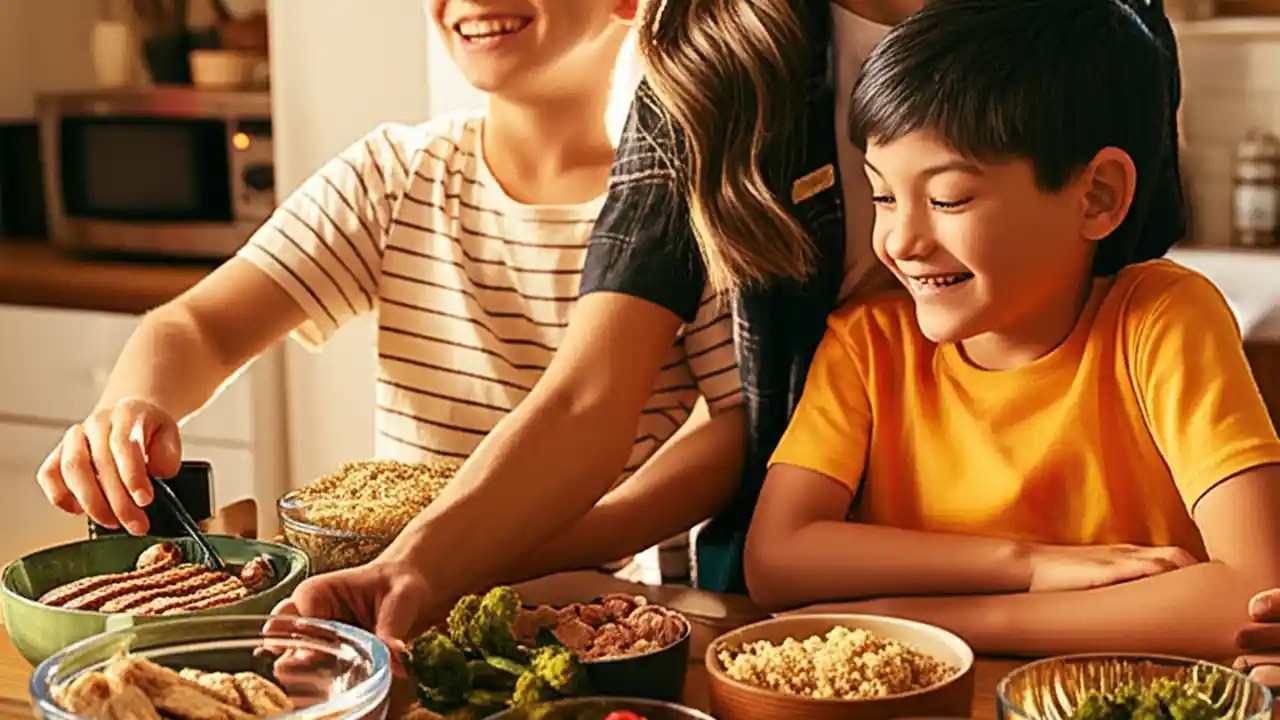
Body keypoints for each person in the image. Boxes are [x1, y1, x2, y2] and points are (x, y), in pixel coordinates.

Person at [34, 0, 745, 638]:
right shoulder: (397, 175)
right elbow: (198, 327)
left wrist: (566, 535)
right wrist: (131, 407)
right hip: (388, 609)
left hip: (586, 609)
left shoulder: (686, 204)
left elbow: (735, 429)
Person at [743, 0, 1280, 660]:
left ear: (1098, 196)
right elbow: (776, 557)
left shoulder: (1163, 321)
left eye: (948, 199)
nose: (901, 240)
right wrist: (1026, 565)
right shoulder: (867, 344)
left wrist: (918, 622)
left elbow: (1254, 593)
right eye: (883, 195)